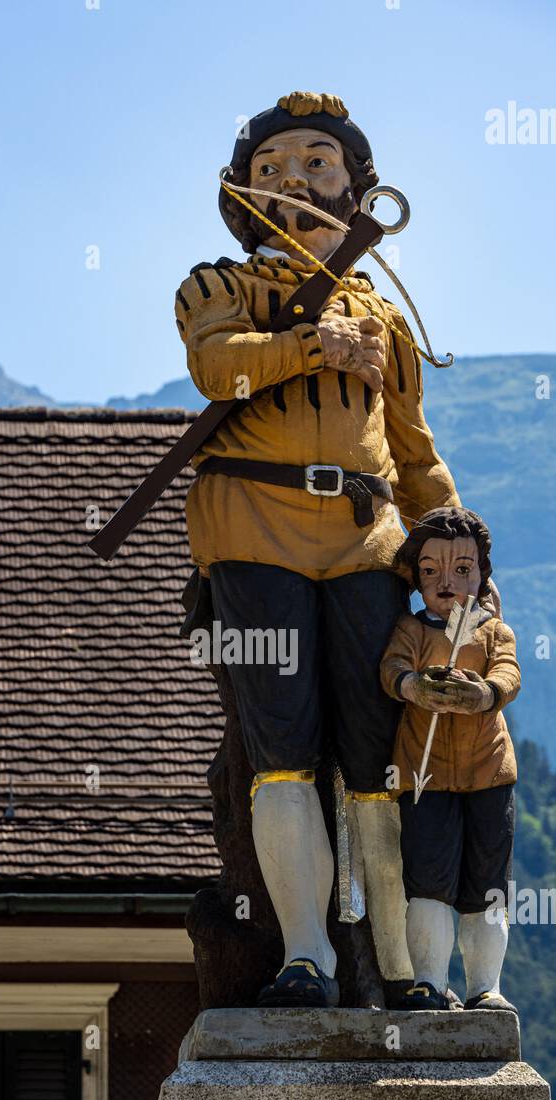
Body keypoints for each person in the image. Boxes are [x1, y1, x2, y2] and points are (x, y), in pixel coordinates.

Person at [175, 90, 476, 1007]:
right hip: (250, 530)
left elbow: (413, 447)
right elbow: (216, 366)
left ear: (356, 185)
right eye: (270, 167)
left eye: (315, 161)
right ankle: (302, 950)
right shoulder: (216, 285)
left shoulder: (387, 322)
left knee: (377, 750)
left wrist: (459, 559)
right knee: (280, 745)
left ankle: (394, 966)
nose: (293, 178)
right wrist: (310, 342)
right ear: (240, 191)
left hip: (368, 537)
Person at [380, 507, 520, 1012]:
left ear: (482, 575)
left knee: (486, 883)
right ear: (416, 578)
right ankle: (429, 981)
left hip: (488, 772)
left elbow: (509, 672)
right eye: (431, 571)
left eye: (462, 569)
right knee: (429, 880)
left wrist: (485, 694)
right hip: (426, 774)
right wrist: (413, 685)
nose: (447, 582)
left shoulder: (492, 632)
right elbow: (391, 668)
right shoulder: (412, 630)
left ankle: (485, 986)